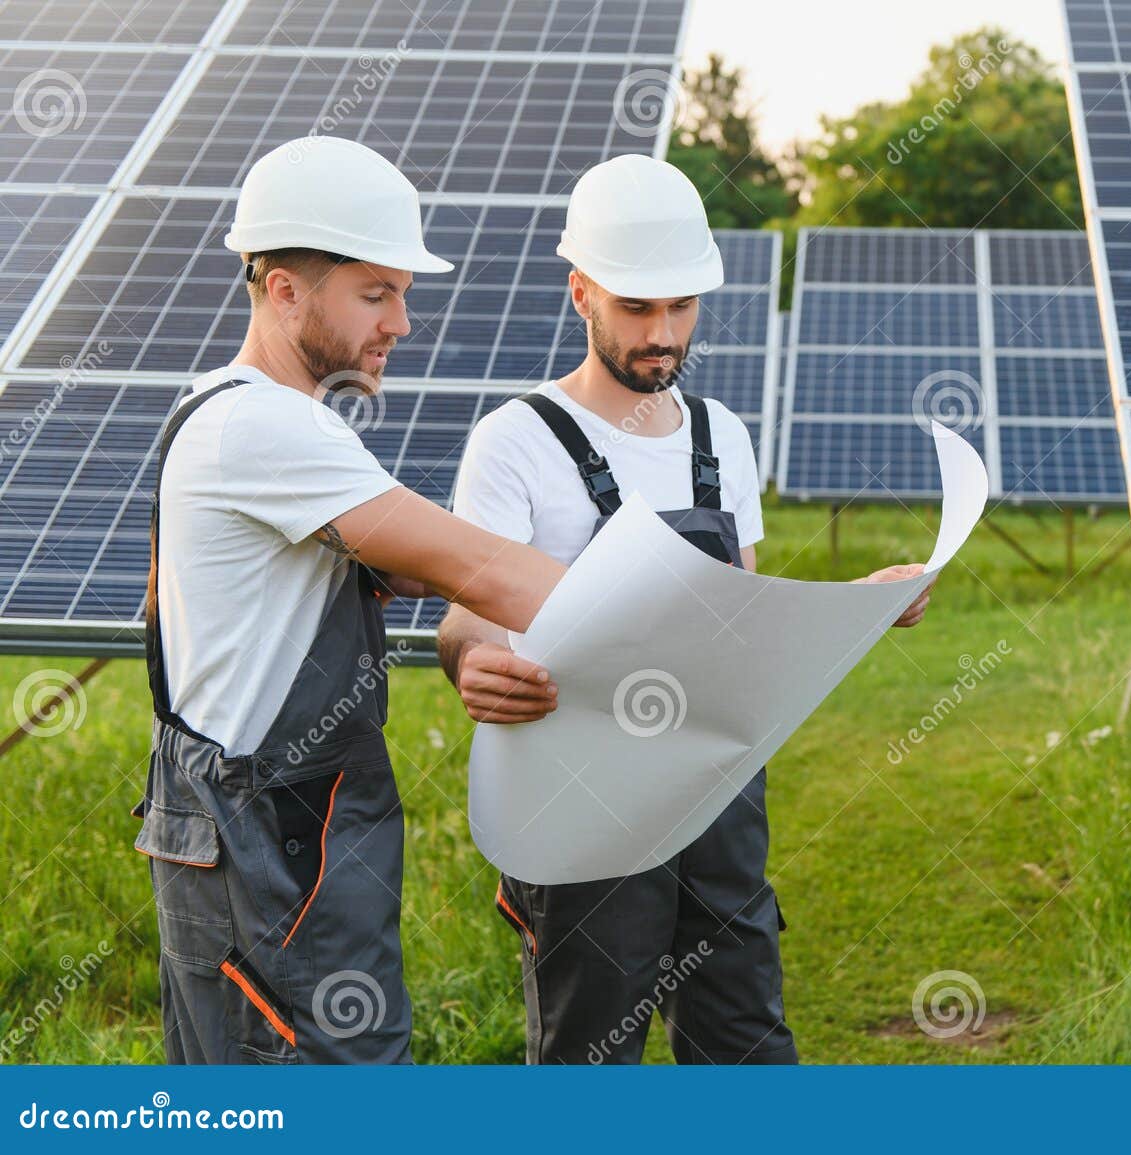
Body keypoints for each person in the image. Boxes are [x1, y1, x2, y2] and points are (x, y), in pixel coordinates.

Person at [437, 154, 933, 1065]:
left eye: (681, 306)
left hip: (716, 786)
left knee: (745, 1040)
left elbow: (739, 619)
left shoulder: (722, 436)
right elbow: (469, 615)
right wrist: (469, 660)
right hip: (582, 798)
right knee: (594, 1051)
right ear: (580, 290)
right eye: (636, 307)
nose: (663, 334)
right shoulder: (515, 441)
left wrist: (857, 609)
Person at [135, 135, 567, 1064]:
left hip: (239, 828)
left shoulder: (222, 407)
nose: (402, 322)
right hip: (278, 846)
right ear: (285, 289)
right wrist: (713, 617)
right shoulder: (268, 426)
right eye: (378, 292)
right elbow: (478, 571)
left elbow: (406, 562)